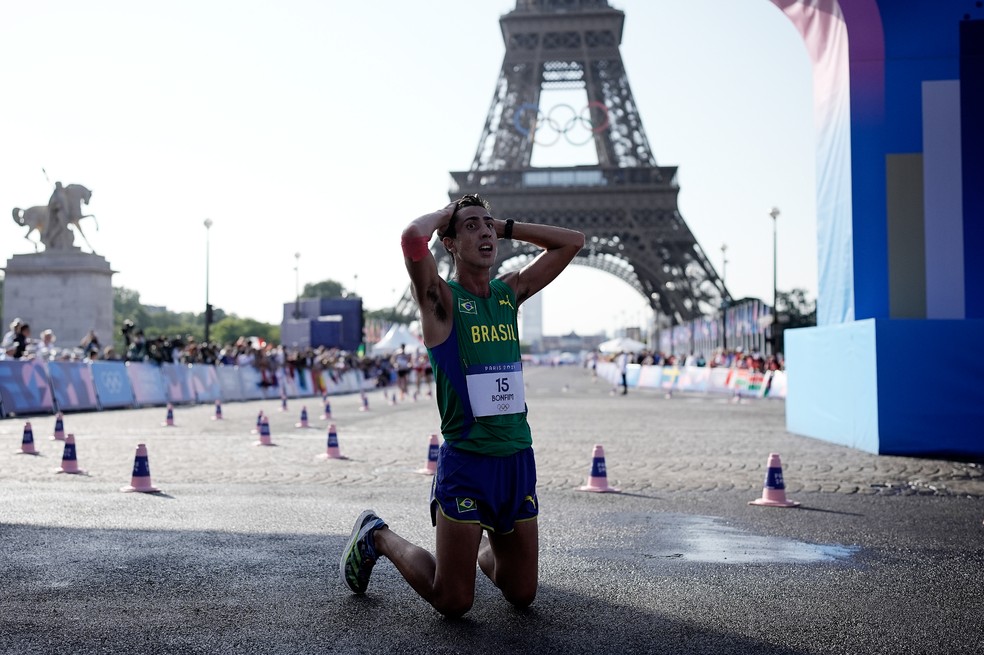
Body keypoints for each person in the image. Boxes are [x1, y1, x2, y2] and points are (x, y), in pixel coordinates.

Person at [339, 193, 583, 617]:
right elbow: (413, 237)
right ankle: (377, 535)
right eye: (471, 226)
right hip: (468, 462)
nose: (485, 231)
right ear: (449, 242)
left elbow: (572, 242)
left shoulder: (508, 294)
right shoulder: (441, 301)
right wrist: (448, 214)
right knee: (453, 601)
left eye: (488, 225)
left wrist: (505, 225)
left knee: (522, 593)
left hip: (516, 459)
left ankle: (475, 543)